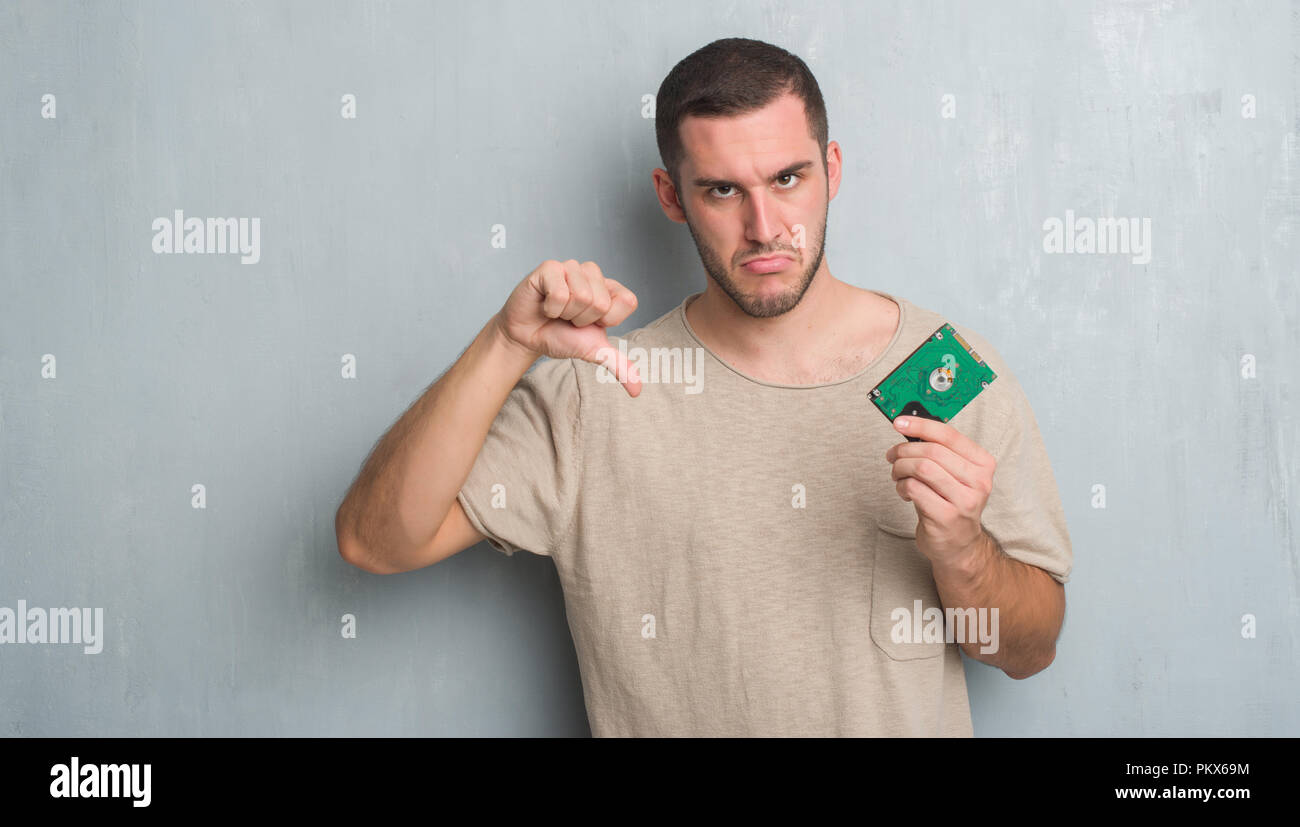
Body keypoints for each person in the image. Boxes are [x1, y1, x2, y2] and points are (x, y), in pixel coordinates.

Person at [335, 37, 1072, 737]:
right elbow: (374, 542)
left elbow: (1030, 649)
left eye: (788, 178)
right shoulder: (598, 394)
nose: (764, 227)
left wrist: (964, 551)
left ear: (833, 169)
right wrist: (504, 343)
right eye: (722, 190)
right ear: (671, 194)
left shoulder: (941, 372)